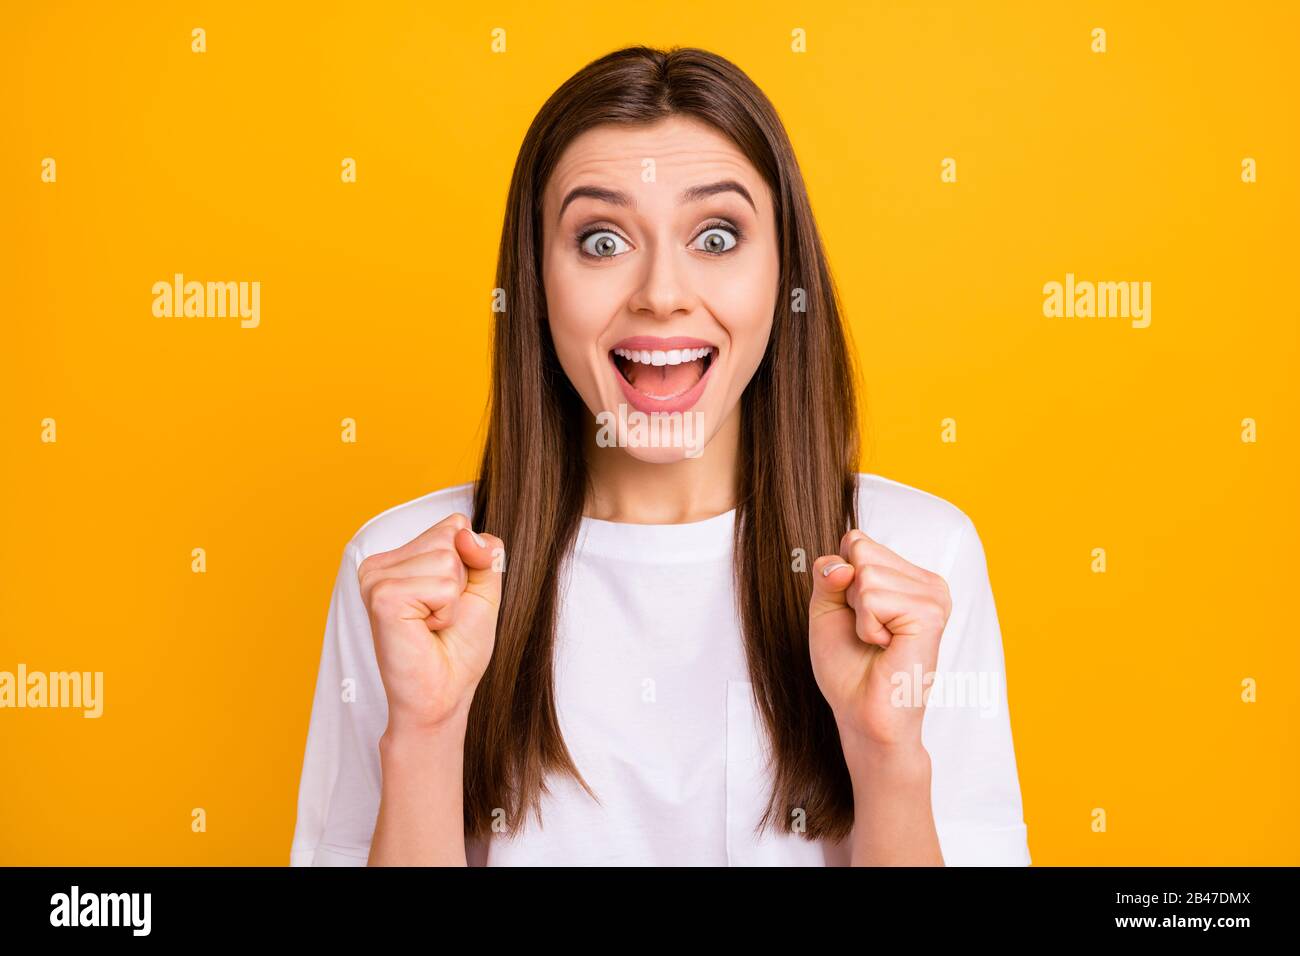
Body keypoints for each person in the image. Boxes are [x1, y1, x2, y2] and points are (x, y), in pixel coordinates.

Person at [290, 45, 1030, 866]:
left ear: (785, 274)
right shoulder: (405, 581)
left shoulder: (923, 561)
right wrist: (424, 739)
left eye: (716, 236)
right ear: (535, 283)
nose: (661, 291)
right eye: (602, 241)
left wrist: (889, 758)